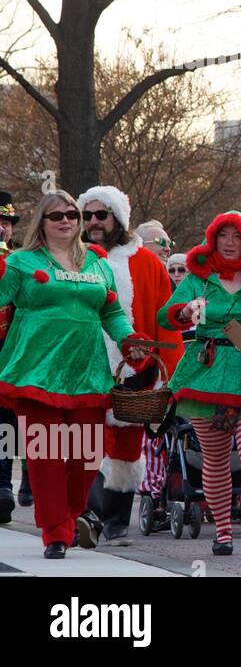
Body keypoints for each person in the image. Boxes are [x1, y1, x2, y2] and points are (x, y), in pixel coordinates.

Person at [0, 191, 150, 557]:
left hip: (87, 372)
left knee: (86, 455)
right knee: (47, 455)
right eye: (56, 216)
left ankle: (65, 515)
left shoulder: (97, 265)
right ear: (43, 222)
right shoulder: (20, 262)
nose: (66, 220)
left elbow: (111, 313)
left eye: (71, 213)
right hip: (37, 371)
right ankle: (55, 532)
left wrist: (130, 341)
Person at [159, 210, 241, 558]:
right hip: (207, 372)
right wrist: (186, 311)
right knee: (216, 459)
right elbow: (166, 316)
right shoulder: (198, 279)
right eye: (224, 236)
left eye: (237, 236)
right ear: (213, 239)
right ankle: (222, 532)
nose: (231, 243)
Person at [76, 185, 184, 545]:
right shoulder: (71, 259)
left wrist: (169, 382)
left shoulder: (146, 262)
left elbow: (164, 322)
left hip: (133, 375)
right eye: (86, 215)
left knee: (125, 448)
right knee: (84, 444)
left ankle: (116, 523)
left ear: (117, 219)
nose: (92, 221)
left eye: (100, 215)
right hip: (82, 369)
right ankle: (86, 515)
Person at [0, 190, 18, 523]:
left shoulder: (20, 261)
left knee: (5, 423)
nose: (3, 228)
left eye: (7, 222)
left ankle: (3, 487)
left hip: (11, 352)